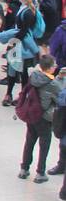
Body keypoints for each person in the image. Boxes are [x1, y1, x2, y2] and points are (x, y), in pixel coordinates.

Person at [18, 52, 63, 183]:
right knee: (44, 145)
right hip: (44, 117)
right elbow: (61, 96)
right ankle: (40, 172)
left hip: (31, 114)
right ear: (49, 68)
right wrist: (60, 79)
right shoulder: (52, 83)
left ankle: (24, 169)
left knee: (29, 141)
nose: (56, 67)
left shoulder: (34, 76)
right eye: (54, 65)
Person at [0, 0, 43, 107]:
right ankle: (17, 95)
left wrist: (13, 41)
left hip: (21, 43)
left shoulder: (28, 11)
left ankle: (18, 95)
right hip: (22, 42)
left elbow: (23, 30)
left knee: (18, 70)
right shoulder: (28, 8)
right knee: (17, 69)